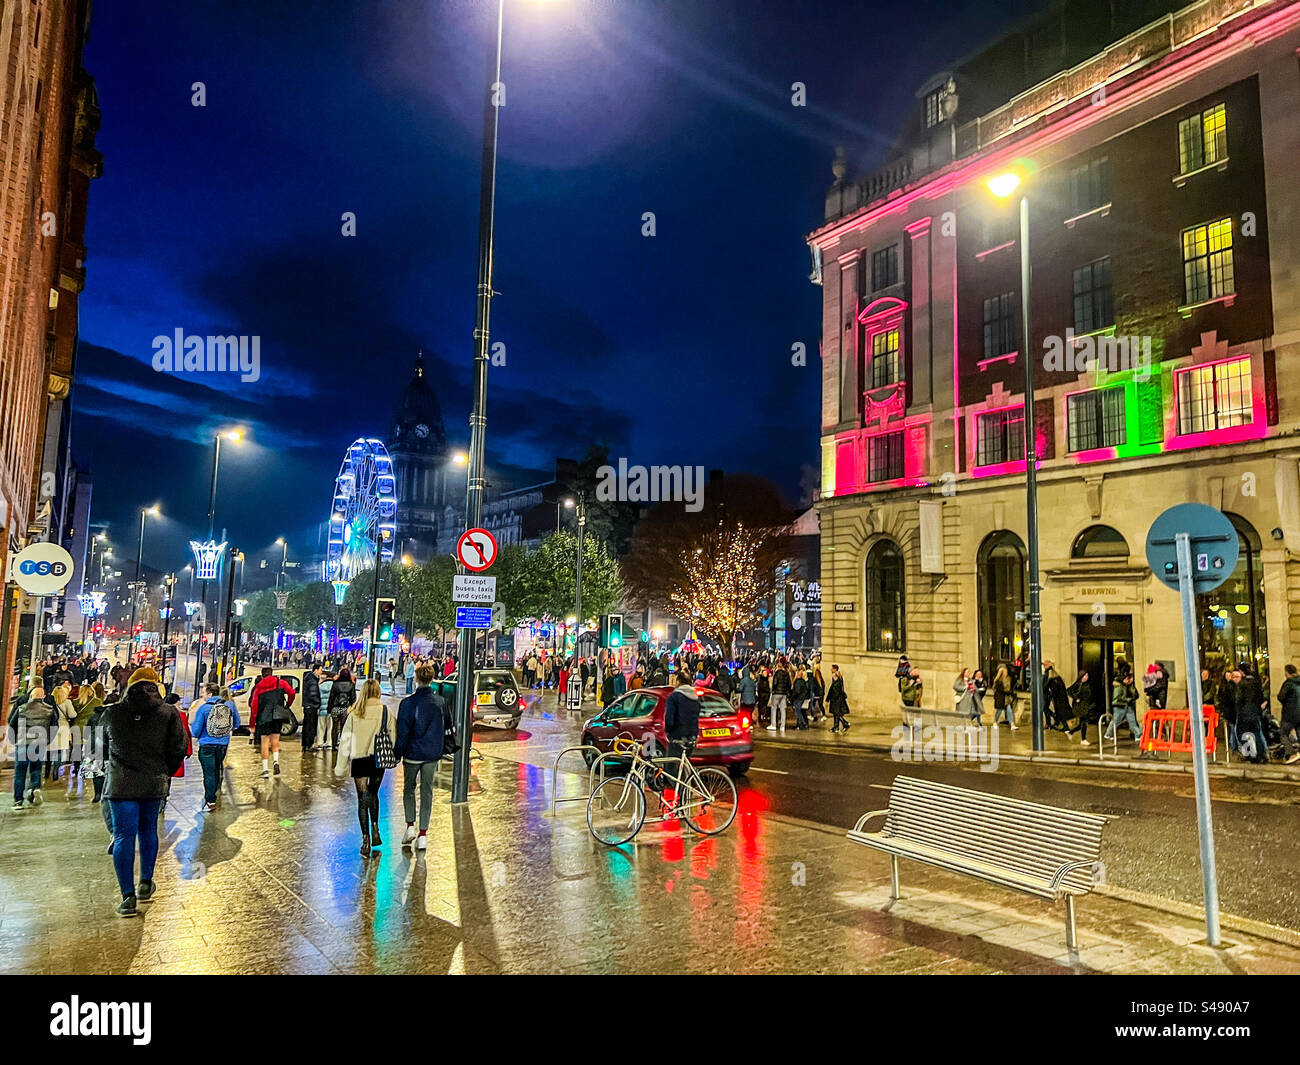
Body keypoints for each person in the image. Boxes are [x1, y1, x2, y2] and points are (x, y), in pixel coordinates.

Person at [102, 668, 187, 917]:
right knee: (148, 830)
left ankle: (127, 896)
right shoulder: (169, 714)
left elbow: (98, 748)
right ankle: (146, 882)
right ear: (155, 685)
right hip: (153, 783)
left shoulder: (112, 712)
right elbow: (178, 748)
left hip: (120, 785)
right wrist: (164, 771)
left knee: (122, 837)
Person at [334, 678, 389, 857]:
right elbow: (394, 736)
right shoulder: (385, 712)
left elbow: (345, 741)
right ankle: (375, 827)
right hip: (377, 759)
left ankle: (365, 838)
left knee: (362, 798)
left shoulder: (354, 714)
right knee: (373, 794)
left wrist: (341, 766)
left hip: (359, 759)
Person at [395, 664, 445, 851]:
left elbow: (402, 732)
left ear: (416, 679)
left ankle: (410, 825)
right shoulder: (440, 702)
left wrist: (397, 753)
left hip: (412, 754)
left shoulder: (407, 704)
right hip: (431, 754)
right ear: (432, 679)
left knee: (409, 788)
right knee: (427, 791)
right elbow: (445, 726)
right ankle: (423, 834)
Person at [190, 684, 240, 810]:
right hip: (223, 744)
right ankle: (215, 792)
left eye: (204, 693)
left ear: (210, 694)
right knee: (217, 768)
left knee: (208, 773)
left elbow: (195, 731)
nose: (202, 695)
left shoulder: (204, 708)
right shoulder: (229, 705)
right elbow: (236, 724)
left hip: (207, 744)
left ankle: (210, 800)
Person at [248, 666, 295, 778]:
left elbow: (254, 706)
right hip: (277, 715)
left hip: (264, 717)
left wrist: (252, 724)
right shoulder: (280, 683)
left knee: (265, 742)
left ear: (262, 675)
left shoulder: (258, 687)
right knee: (275, 739)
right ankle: (276, 761)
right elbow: (292, 693)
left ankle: (265, 770)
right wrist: (287, 704)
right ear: (272, 673)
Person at [11, 683, 51, 809]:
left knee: (20, 772)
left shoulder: (22, 708)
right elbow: (54, 727)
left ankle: (18, 800)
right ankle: (35, 787)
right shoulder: (49, 710)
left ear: (31, 696)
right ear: (43, 696)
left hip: (23, 742)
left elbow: (12, 723)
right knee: (36, 768)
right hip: (39, 743)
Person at [1105, 670, 1141, 746]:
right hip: (1119, 706)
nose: (1131, 680)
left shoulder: (1128, 686)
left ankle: (1138, 735)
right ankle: (1108, 734)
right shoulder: (1119, 686)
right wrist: (1128, 699)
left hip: (1127, 705)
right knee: (1116, 721)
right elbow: (1117, 698)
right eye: (1129, 678)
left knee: (1132, 721)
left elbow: (1135, 694)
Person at [1276, 663, 1300, 764]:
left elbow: (1281, 697)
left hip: (1289, 714)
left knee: (1283, 734)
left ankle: (1292, 753)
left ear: (1287, 673)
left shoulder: (1288, 683)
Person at [326, 667, 355, 750]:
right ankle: (342, 744)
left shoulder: (335, 684)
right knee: (344, 727)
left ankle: (334, 744)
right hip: (346, 708)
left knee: (334, 727)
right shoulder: (351, 685)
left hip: (335, 708)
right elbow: (353, 698)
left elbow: (331, 697)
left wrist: (329, 708)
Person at [1065, 672, 1093, 746]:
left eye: (1087, 675)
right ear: (1081, 676)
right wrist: (1076, 698)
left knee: (1083, 722)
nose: (1087, 677)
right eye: (1085, 675)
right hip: (1080, 706)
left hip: (1085, 705)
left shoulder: (1086, 684)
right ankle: (1083, 739)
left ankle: (1071, 732)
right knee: (1084, 722)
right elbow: (1068, 690)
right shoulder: (1078, 684)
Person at [299, 663, 322, 752]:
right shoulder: (312, 680)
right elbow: (313, 694)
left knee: (306, 726)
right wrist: (318, 703)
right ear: (316, 670)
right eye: (320, 670)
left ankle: (305, 745)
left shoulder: (308, 678)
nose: (321, 672)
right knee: (311, 727)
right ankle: (309, 745)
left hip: (307, 706)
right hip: (312, 706)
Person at [767, 659, 792, 733]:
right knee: (783, 709)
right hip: (784, 694)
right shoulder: (786, 674)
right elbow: (789, 684)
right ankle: (783, 726)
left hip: (776, 693)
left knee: (774, 708)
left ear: (778, 667)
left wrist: (773, 690)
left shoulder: (776, 674)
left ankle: (773, 724)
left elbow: (774, 683)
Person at [991, 665, 1016, 729]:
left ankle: (1012, 724)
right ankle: (995, 722)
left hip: (1007, 698)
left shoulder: (1009, 678)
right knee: (999, 710)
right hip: (1000, 697)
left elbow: (1012, 684)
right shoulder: (998, 680)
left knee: (1009, 710)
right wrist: (1006, 691)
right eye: (1004, 671)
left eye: (1006, 671)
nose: (1006, 672)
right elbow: (999, 689)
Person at [827, 664, 850, 734]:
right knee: (835, 713)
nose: (830, 670)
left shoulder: (835, 676)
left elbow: (835, 689)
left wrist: (832, 697)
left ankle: (845, 724)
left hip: (836, 699)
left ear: (835, 669)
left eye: (832, 668)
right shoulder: (838, 676)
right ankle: (836, 727)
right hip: (837, 698)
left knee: (837, 713)